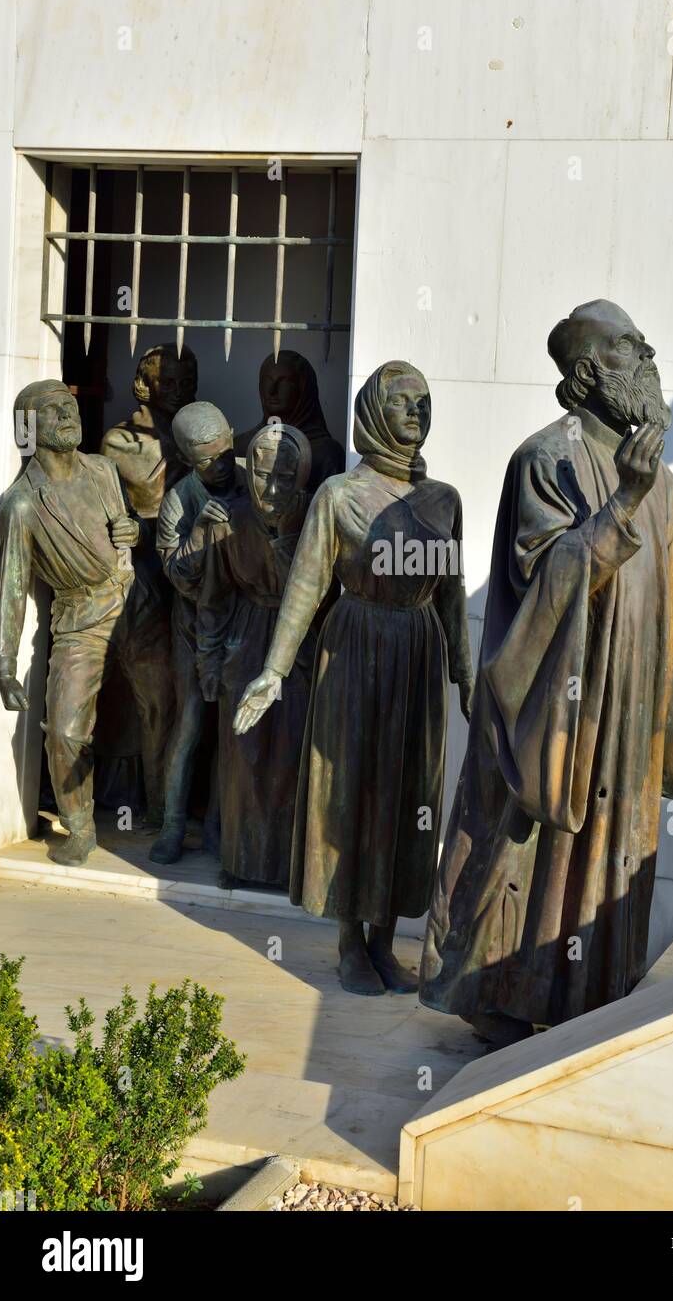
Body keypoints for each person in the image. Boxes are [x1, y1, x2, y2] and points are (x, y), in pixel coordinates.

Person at [419, 300, 673, 1047]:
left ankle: (588, 996)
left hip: (631, 705)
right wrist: (619, 498)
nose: (648, 355)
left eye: (644, 344)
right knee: (538, 851)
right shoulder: (543, 459)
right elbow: (546, 578)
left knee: (615, 853)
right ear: (586, 373)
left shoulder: (655, 475)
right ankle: (499, 992)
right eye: (628, 349)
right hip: (568, 710)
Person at [234, 361, 474, 995]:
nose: (417, 414)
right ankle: (347, 939)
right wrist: (274, 669)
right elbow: (307, 586)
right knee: (351, 790)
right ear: (374, 413)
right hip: (357, 647)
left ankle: (383, 939)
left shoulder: (443, 499)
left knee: (406, 794)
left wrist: (466, 673)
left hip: (417, 652)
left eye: (425, 403)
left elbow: (451, 593)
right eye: (403, 404)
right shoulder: (338, 495)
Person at [0, 381, 141, 866]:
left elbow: (123, 535)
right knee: (63, 729)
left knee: (170, 708)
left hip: (134, 601)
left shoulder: (102, 470)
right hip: (80, 617)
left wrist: (129, 532)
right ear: (29, 427)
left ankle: (165, 814)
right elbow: (11, 587)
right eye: (52, 409)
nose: (66, 414)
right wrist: (5, 663)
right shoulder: (20, 504)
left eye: (70, 406)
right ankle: (79, 826)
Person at [196, 424, 316, 890]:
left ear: (301, 476)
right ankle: (240, 859)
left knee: (290, 756)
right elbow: (213, 599)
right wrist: (210, 660)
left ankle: (287, 866)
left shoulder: (314, 517)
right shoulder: (230, 519)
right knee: (243, 755)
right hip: (245, 637)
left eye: (285, 478)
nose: (271, 489)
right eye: (262, 476)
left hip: (299, 644)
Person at [97, 343, 198, 824]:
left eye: (187, 381)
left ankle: (174, 799)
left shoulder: (189, 437)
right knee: (146, 695)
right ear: (142, 384)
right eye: (170, 381)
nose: (181, 390)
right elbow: (151, 496)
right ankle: (142, 801)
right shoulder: (121, 442)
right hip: (142, 580)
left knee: (182, 696)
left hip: (188, 576)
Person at [150, 402, 248, 865]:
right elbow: (176, 573)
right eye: (209, 460)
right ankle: (172, 824)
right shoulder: (179, 499)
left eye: (227, 450)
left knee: (235, 729)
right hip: (193, 624)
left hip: (242, 621)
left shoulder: (253, 478)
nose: (224, 464)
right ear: (190, 459)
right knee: (189, 725)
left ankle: (220, 825)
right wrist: (200, 533)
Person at [233, 350, 345, 493]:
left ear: (303, 388)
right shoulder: (242, 446)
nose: (272, 390)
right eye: (267, 380)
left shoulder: (326, 453)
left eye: (283, 382)